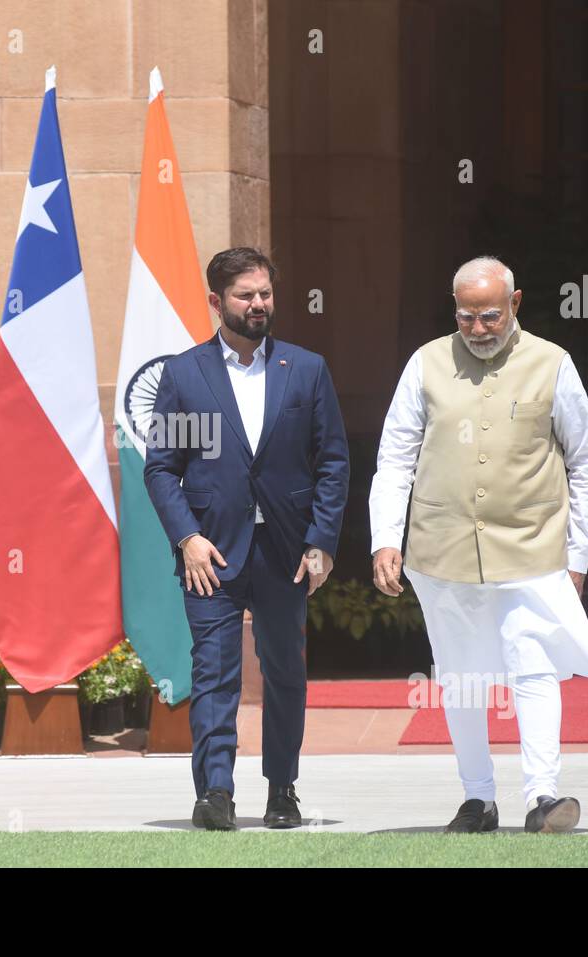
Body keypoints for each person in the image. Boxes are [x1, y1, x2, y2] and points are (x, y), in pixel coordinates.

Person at [369, 255, 588, 834]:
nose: (477, 329)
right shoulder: (426, 362)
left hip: (532, 548)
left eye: (490, 316)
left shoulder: (553, 364)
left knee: (534, 664)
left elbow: (587, 462)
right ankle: (478, 800)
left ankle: (543, 797)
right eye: (466, 316)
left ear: (516, 304)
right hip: (441, 548)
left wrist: (577, 556)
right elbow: (395, 456)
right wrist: (384, 538)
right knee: (461, 675)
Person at [144, 247, 349, 831]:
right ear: (216, 301)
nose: (258, 304)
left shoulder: (305, 369)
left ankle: (282, 789)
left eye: (264, 294)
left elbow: (333, 460)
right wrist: (186, 538)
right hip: (211, 551)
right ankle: (215, 792)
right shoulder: (184, 374)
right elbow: (162, 468)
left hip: (287, 553)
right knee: (213, 673)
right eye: (245, 295)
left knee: (284, 670)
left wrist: (322, 541)